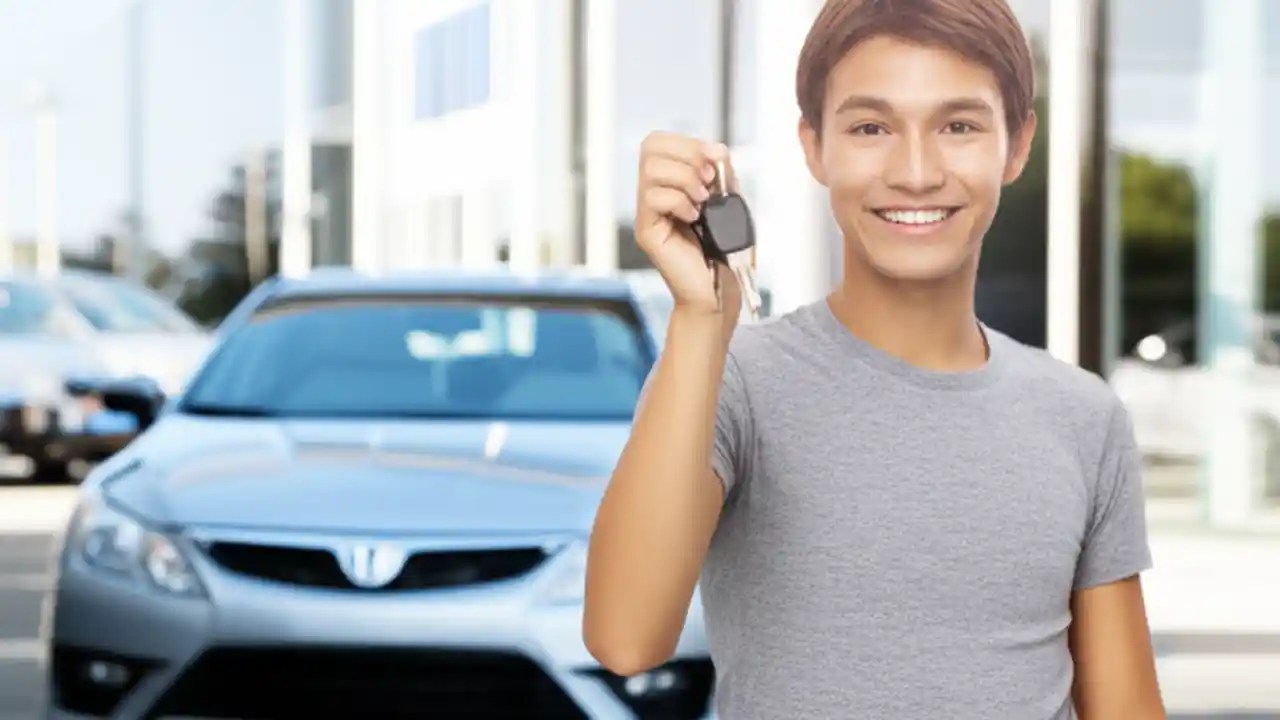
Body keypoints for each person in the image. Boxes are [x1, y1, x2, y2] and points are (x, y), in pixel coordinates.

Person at [583, 0, 1166, 718]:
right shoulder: (730, 382)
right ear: (814, 147)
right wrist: (702, 320)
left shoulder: (1083, 417)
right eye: (870, 127)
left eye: (958, 126)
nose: (916, 172)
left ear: (1016, 146)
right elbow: (624, 638)